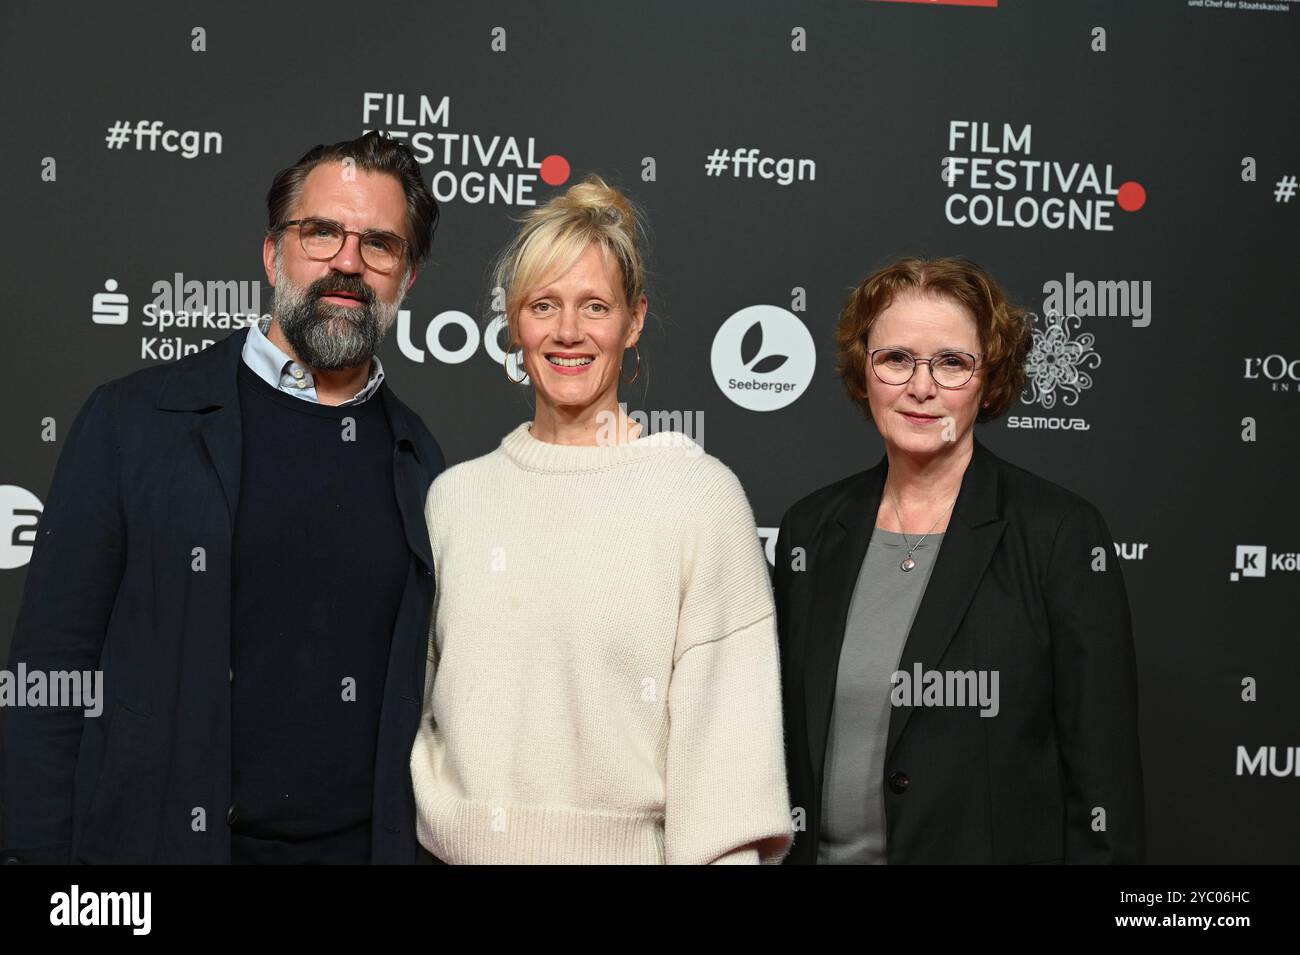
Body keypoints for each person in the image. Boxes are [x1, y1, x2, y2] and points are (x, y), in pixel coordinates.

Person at [1, 131, 445, 864]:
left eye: (379, 244)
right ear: (274, 254)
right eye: (322, 231)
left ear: (406, 279)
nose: (347, 262)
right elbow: (52, 668)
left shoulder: (421, 460)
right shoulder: (133, 423)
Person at [410, 174, 791, 864]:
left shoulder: (698, 497)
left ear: (634, 319)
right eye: (543, 305)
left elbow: (727, 763)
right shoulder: (453, 500)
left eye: (595, 306)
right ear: (512, 320)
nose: (567, 332)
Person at [774, 256, 1145, 864]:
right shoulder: (811, 530)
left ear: (988, 376)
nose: (921, 388)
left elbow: (1104, 785)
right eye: (896, 359)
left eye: (951, 362)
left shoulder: (1059, 534)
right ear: (864, 371)